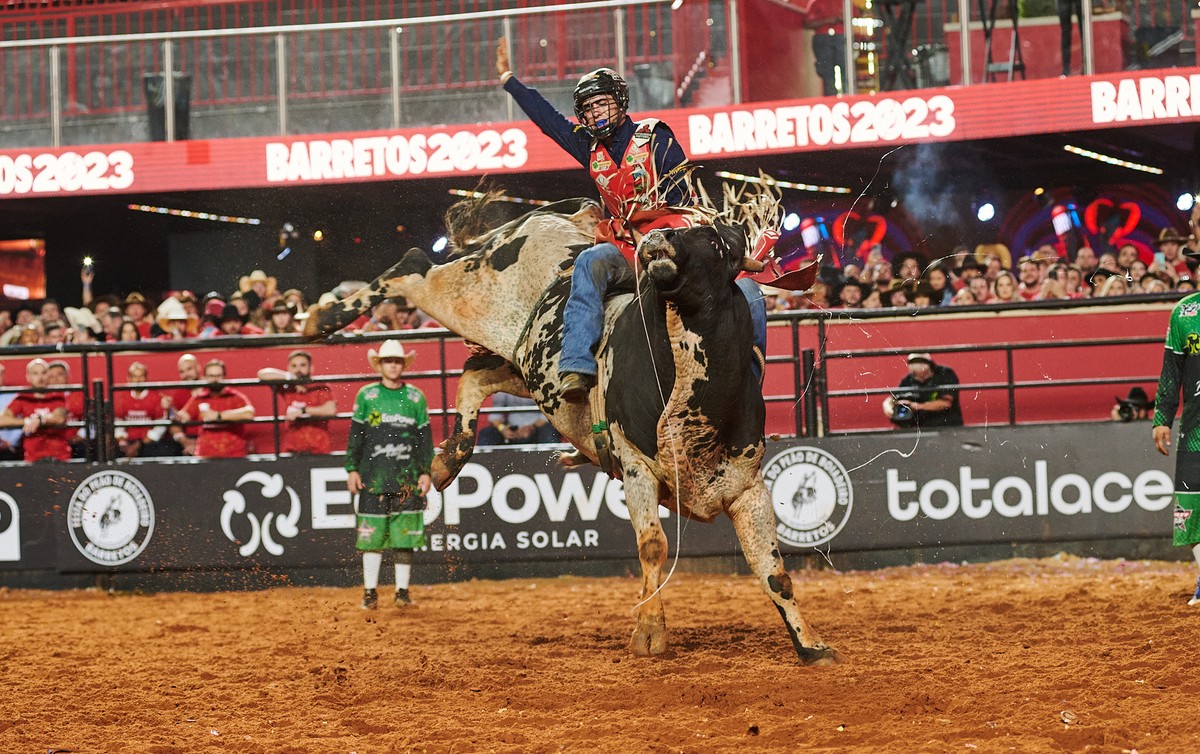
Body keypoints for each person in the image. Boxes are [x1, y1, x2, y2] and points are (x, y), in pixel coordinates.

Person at [496, 38, 766, 402]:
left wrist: (660, 230)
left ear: (620, 102)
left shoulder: (655, 136)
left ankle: (751, 379)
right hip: (628, 247)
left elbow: (681, 198)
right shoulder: (587, 147)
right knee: (589, 261)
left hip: (677, 241)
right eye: (587, 108)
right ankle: (575, 367)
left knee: (749, 293)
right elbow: (549, 121)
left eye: (601, 103)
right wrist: (509, 80)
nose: (595, 113)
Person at [345, 340, 433, 610]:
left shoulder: (416, 397)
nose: (393, 365)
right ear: (380, 365)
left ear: (403, 364)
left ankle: (402, 592)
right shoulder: (366, 396)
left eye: (397, 361)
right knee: (371, 538)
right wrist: (352, 468)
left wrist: (426, 471)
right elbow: (356, 436)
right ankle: (369, 593)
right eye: (388, 361)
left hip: (407, 478)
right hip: (373, 477)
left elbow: (424, 439)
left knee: (404, 537)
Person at [1151, 289, 1200, 606]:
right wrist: (1162, 418)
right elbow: (1171, 370)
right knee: (1192, 505)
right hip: (1196, 429)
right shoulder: (1184, 312)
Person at [257, 350, 337, 454]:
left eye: (302, 365)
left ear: (311, 367)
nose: (298, 369)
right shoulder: (288, 387)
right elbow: (262, 374)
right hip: (292, 449)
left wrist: (303, 411)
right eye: (294, 366)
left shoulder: (320, 387)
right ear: (289, 368)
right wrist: (291, 378)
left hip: (318, 449)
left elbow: (330, 410)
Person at [175, 359, 255, 458]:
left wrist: (218, 416)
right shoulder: (199, 398)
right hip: (205, 455)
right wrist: (169, 408)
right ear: (205, 378)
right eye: (211, 376)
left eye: (218, 376)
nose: (215, 380)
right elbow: (182, 417)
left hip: (234, 454)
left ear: (224, 377)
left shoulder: (235, 397)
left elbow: (249, 413)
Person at [0, 359, 72, 462]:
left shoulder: (58, 396)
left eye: (43, 373)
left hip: (59, 456)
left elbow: (59, 418)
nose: (40, 378)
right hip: (32, 458)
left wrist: (40, 420)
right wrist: (27, 421)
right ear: (28, 377)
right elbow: (2, 420)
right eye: (35, 373)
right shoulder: (23, 398)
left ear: (48, 375)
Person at [882, 352, 964, 429]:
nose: (920, 377)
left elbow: (946, 403)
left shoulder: (945, 373)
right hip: (919, 428)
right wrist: (888, 407)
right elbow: (892, 398)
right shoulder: (908, 380)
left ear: (929, 365)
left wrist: (916, 406)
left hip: (946, 425)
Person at [113, 361, 175, 457]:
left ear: (146, 378)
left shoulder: (156, 397)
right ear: (129, 379)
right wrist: (122, 442)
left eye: (141, 376)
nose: (138, 380)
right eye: (134, 376)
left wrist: (141, 445)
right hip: (127, 441)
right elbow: (118, 423)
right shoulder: (122, 398)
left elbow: (160, 427)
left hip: (149, 442)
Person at [478, 392, 560, 446]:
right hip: (511, 428)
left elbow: (550, 411)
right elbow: (495, 415)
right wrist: (502, 428)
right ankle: (481, 465)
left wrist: (533, 427)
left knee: (549, 433)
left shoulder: (541, 379)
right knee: (486, 434)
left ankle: (553, 465)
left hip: (539, 426)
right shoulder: (505, 381)